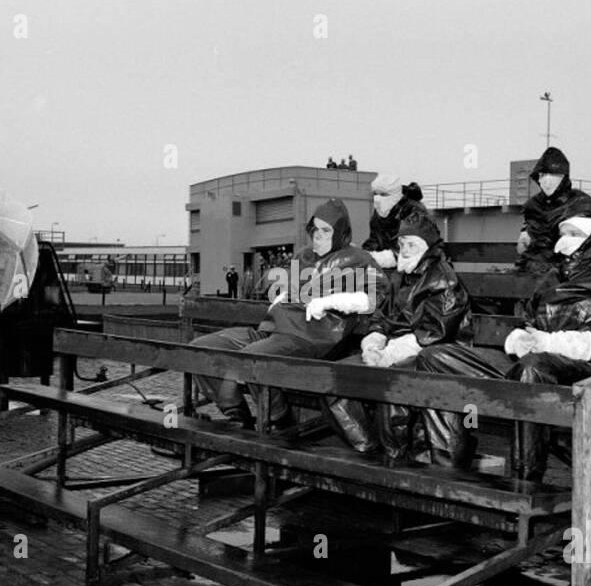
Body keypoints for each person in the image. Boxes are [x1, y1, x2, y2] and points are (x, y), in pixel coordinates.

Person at [416, 214, 591, 475]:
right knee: (436, 357)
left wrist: (552, 342)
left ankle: (525, 482)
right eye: (564, 232)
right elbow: (527, 320)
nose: (566, 240)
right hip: (530, 363)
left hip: (588, 370)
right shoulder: (552, 277)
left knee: (531, 370)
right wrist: (520, 338)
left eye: (575, 234)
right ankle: (448, 470)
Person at [191, 200, 381, 430]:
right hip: (273, 330)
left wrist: (335, 301)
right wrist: (281, 299)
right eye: (315, 229)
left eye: (326, 230)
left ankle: (279, 419)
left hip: (310, 336)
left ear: (341, 232)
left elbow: (376, 295)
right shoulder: (303, 257)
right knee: (201, 349)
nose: (317, 236)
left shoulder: (359, 259)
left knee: (253, 359)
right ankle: (237, 415)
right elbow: (287, 291)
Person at [326, 211, 469, 462]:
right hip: (391, 351)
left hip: (431, 357)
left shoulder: (444, 279)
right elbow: (381, 317)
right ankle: (369, 449)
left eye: (411, 244)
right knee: (333, 379)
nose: (404, 249)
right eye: (401, 244)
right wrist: (374, 341)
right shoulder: (400, 278)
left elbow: (435, 334)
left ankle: (396, 456)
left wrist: (389, 354)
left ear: (427, 247)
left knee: (393, 383)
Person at [516, 147, 591, 289]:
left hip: (572, 271)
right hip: (538, 270)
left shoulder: (581, 203)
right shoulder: (533, 205)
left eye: (553, 174)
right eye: (542, 175)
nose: (547, 180)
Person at [363, 175, 430, 270]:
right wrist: (364, 253)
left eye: (383, 194)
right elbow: (375, 239)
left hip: (416, 271)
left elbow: (412, 248)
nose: (377, 198)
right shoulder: (380, 212)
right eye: (375, 194)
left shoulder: (413, 211)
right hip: (389, 268)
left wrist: (382, 258)